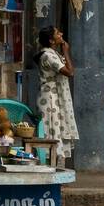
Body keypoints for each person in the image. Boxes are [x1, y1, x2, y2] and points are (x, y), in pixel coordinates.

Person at [34, 26, 78, 170]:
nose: (61, 34)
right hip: (50, 99)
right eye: (58, 33)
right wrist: (66, 52)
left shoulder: (51, 53)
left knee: (56, 130)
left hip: (53, 97)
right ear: (52, 40)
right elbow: (70, 72)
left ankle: (55, 169)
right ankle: (51, 169)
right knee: (52, 131)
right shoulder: (49, 55)